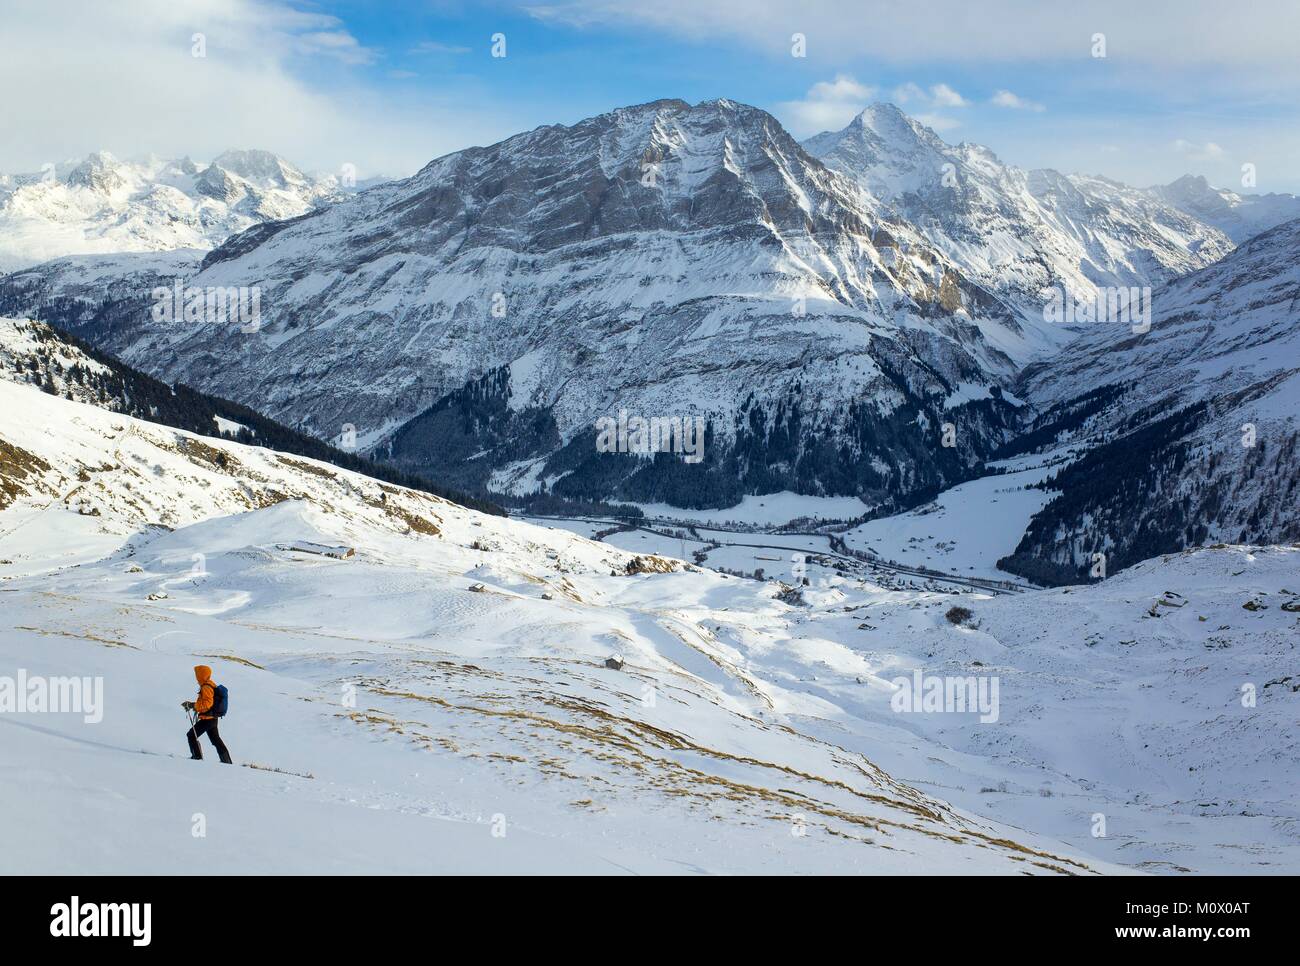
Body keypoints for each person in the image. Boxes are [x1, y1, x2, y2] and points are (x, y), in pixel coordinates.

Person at [182, 665, 232, 764]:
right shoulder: (210, 684)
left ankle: (197, 758)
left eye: (197, 674)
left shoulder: (206, 687)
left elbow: (207, 704)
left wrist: (193, 705)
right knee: (215, 740)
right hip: (212, 718)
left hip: (208, 719)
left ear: (201, 675)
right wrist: (194, 705)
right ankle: (227, 761)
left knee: (191, 735)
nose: (196, 676)